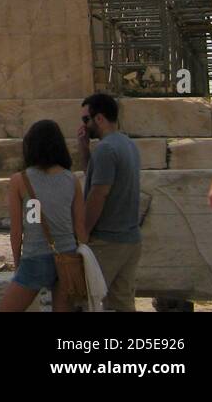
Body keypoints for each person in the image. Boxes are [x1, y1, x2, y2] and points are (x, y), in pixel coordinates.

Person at [0, 119, 88, 312]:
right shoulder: (72, 180)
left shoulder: (19, 180)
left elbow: (17, 230)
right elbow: (80, 227)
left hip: (35, 256)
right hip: (67, 255)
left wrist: (17, 265)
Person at [78, 92, 142, 312]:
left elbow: (98, 194)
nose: (84, 126)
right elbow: (95, 176)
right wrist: (84, 150)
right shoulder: (126, 144)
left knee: (84, 298)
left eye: (86, 119)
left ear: (99, 118)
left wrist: (83, 232)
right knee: (122, 302)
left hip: (108, 240)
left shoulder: (106, 149)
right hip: (130, 238)